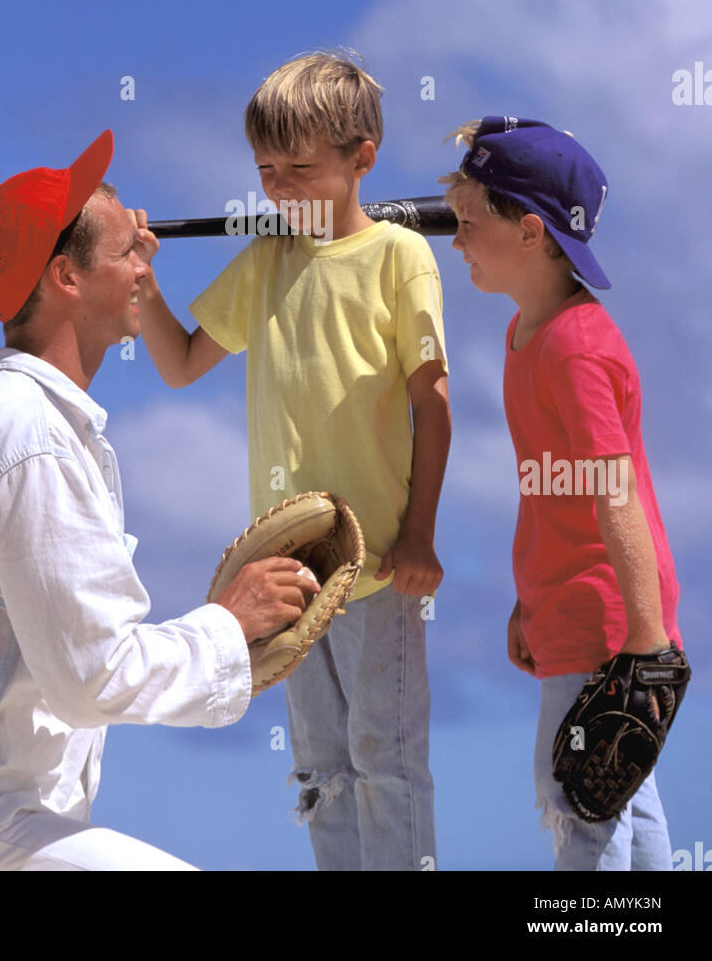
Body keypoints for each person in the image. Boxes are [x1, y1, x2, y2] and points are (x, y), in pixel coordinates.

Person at [0, 129, 317, 872]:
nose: (148, 258)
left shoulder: (13, 420)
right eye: (129, 248)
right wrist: (227, 626)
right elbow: (92, 674)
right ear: (66, 278)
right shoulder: (27, 434)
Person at [132, 52, 451, 871]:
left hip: (378, 563)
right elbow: (178, 363)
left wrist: (419, 538)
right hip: (290, 571)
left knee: (386, 758)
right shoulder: (267, 262)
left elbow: (432, 401)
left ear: (362, 160)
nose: (279, 189)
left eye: (300, 169)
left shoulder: (399, 256)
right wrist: (139, 280)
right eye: (266, 171)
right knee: (321, 770)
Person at [442, 115, 682, 871]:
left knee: (577, 801)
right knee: (623, 804)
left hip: (606, 615)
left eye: (469, 221)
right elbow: (557, 494)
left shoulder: (574, 347)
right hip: (573, 604)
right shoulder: (527, 334)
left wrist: (644, 643)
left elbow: (615, 498)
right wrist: (528, 599)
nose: (454, 240)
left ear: (531, 232)